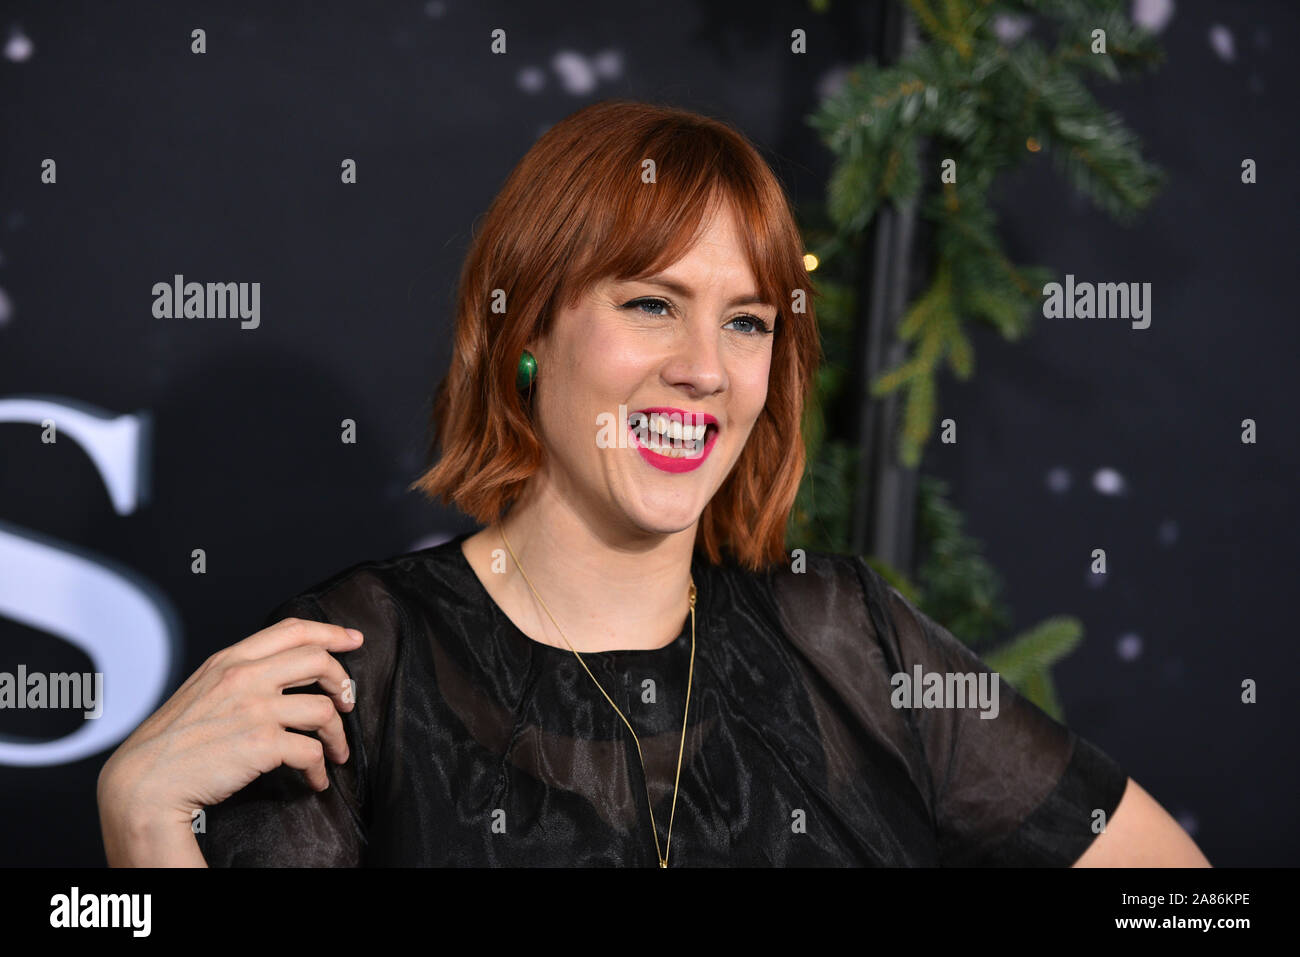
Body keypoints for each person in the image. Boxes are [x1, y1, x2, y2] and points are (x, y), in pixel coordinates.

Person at [96, 99, 1210, 867]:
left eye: (746, 321)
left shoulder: (853, 641)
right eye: (650, 303)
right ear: (527, 326)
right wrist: (142, 825)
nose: (704, 368)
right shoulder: (354, 672)